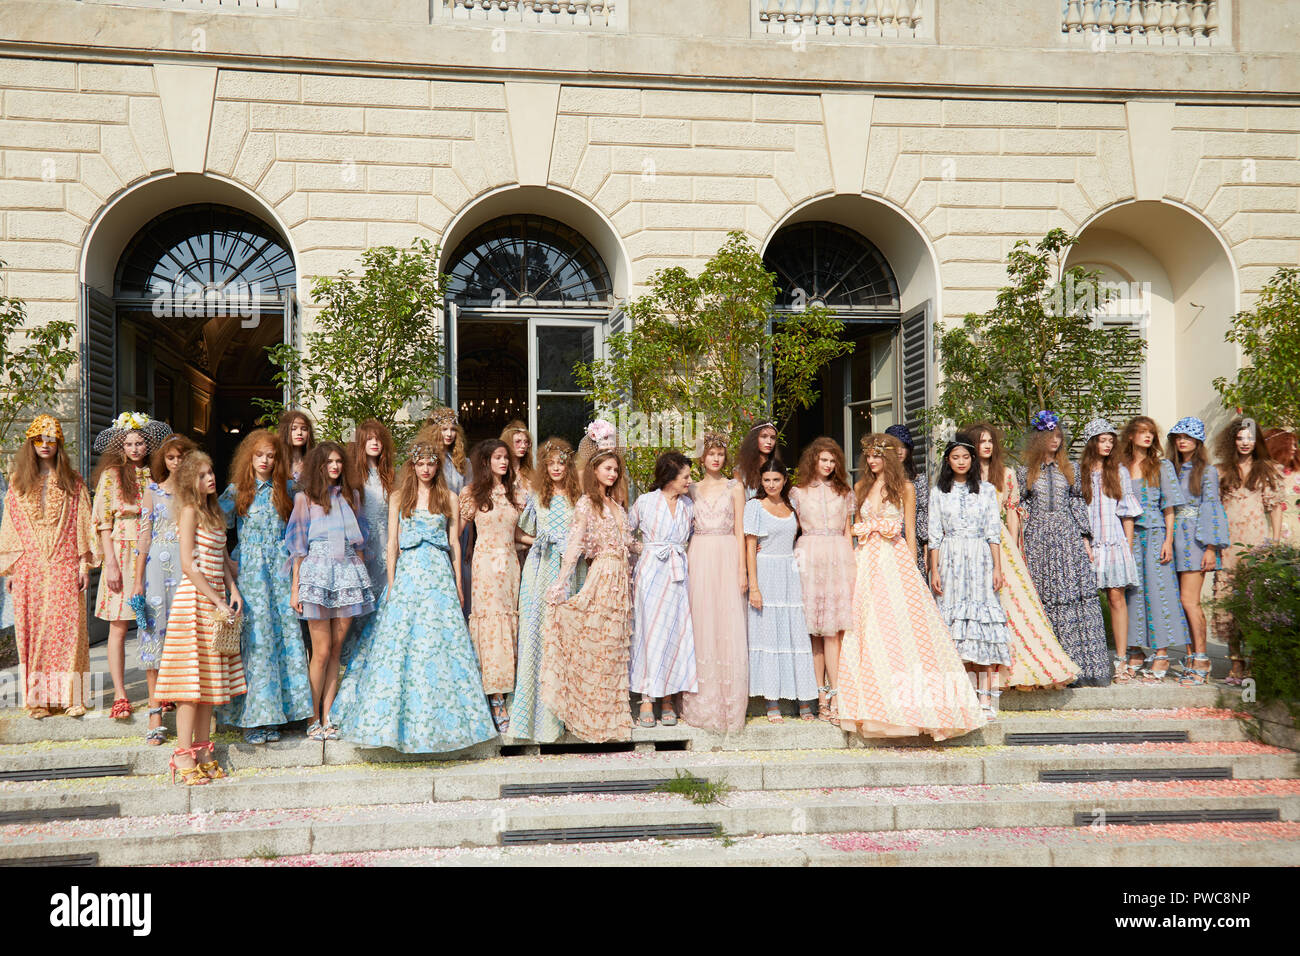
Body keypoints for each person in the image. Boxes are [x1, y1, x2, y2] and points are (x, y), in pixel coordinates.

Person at [330, 436, 498, 754]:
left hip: (438, 576)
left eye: (431, 463)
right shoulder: (398, 498)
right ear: (412, 465)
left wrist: (459, 585)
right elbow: (392, 544)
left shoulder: (448, 497)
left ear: (437, 466)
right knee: (401, 646)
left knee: (439, 643)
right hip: (408, 575)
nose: (425, 468)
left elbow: (456, 544)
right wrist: (392, 584)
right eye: (420, 463)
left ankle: (448, 722)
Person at [837, 433, 985, 740]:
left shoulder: (904, 487)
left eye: (878, 455)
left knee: (898, 627)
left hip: (894, 558)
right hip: (865, 559)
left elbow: (907, 529)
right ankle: (869, 702)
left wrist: (917, 568)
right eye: (869, 455)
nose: (872, 460)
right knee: (866, 627)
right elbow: (852, 528)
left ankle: (914, 705)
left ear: (889, 457)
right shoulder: (861, 487)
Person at [964, 421, 1078, 690]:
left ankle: (1017, 667)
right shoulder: (964, 473)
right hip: (969, 543)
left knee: (1013, 602)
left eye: (990, 440)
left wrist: (1013, 547)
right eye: (981, 441)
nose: (987, 445)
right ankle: (978, 667)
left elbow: (1012, 512)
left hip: (1000, 541)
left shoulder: (1006, 474)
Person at [216, 429, 312, 743]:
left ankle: (280, 716)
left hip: (281, 572)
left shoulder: (288, 489)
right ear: (250, 457)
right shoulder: (236, 491)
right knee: (256, 644)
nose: (265, 461)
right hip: (252, 575)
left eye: (271, 456)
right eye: (259, 455)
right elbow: (214, 527)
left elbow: (303, 529)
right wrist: (230, 564)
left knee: (283, 639)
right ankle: (254, 718)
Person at [155, 452, 246, 785]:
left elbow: (222, 560)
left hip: (216, 602)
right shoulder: (190, 512)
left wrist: (232, 592)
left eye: (212, 473)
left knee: (207, 684)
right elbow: (188, 566)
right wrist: (216, 600)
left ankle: (203, 749)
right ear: (191, 480)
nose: (211, 479)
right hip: (193, 601)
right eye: (204, 475)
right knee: (189, 686)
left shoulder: (215, 512)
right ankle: (181, 754)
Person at [0, 416, 98, 719]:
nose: (45, 445)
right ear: (31, 443)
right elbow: (10, 526)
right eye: (39, 440)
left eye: (51, 439)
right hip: (29, 566)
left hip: (65, 563)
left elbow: (84, 521)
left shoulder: (73, 480)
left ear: (59, 444)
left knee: (70, 631)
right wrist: (12, 567)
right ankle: (38, 699)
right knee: (34, 632)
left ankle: (73, 697)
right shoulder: (17, 482)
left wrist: (84, 564)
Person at [543, 447, 634, 743]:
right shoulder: (586, 503)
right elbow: (575, 545)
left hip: (622, 581)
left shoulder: (617, 505)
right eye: (607, 468)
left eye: (616, 469)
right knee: (599, 646)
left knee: (615, 647)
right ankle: (590, 718)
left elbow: (630, 543)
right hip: (604, 576)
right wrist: (560, 582)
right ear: (594, 471)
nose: (613, 473)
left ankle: (612, 719)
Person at [285, 441, 375, 740]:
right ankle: (312, 718)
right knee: (320, 651)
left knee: (336, 650)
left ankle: (329, 715)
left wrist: (363, 583)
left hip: (348, 572)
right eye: (328, 462)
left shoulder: (352, 497)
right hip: (317, 574)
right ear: (318, 466)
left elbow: (360, 542)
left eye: (338, 461)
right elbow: (297, 549)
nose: (334, 467)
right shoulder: (304, 499)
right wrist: (295, 589)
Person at [1017, 411, 1111, 687]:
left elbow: (1077, 504)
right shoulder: (1025, 473)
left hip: (1067, 539)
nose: (1055, 440)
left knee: (1072, 596)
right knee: (1044, 597)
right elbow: (1017, 506)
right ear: (1039, 439)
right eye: (1050, 435)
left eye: (1059, 436)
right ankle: (1048, 667)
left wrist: (1085, 538)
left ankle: (1080, 666)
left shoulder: (1067, 470)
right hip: (1037, 540)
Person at [91, 411, 172, 719]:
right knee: (119, 624)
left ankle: (160, 689)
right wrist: (109, 563)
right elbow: (102, 523)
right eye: (129, 444)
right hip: (122, 552)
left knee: (157, 623)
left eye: (140, 443)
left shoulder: (156, 475)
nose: (135, 449)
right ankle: (121, 694)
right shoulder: (112, 476)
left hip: (153, 552)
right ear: (120, 447)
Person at [929, 436, 1013, 718]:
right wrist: (934, 569)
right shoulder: (938, 492)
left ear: (972, 460)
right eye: (956, 458)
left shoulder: (987, 490)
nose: (961, 462)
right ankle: (961, 695)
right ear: (948, 461)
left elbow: (993, 531)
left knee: (984, 624)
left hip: (979, 559)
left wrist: (997, 568)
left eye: (966, 457)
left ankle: (987, 696)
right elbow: (934, 535)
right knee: (955, 628)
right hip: (951, 559)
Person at [510, 437, 585, 742]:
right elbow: (519, 533)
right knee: (537, 635)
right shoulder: (536, 497)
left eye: (561, 463)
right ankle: (534, 718)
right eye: (551, 463)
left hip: (570, 571)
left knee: (569, 637)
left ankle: (568, 716)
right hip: (540, 571)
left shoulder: (579, 498)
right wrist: (538, 540)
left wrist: (571, 545)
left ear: (568, 466)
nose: (556, 468)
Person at [681, 431, 749, 734]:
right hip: (699, 554)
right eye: (711, 454)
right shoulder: (691, 489)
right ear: (702, 457)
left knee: (727, 621)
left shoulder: (735, 488)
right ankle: (701, 701)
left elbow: (741, 531)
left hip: (726, 551)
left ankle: (728, 703)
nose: (716, 458)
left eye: (720, 454)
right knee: (701, 622)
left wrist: (743, 569)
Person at [130, 434, 197, 744]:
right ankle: (155, 711)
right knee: (153, 634)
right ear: (163, 461)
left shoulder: (197, 492)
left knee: (186, 637)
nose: (176, 462)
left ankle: (188, 706)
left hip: (189, 569)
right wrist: (136, 579)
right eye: (171, 457)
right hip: (157, 566)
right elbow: (143, 537)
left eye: (181, 456)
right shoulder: (152, 492)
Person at [459, 438, 526, 732]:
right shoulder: (472, 493)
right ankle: (493, 696)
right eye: (498, 457)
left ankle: (508, 692)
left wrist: (540, 541)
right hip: (485, 565)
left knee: (510, 624)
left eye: (506, 458)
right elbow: (456, 533)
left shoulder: (516, 493)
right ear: (485, 462)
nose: (503, 462)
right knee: (490, 623)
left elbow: (517, 532)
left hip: (510, 564)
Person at [744, 458, 817, 721]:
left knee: (794, 634)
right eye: (766, 480)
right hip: (765, 572)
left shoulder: (792, 505)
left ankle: (802, 698)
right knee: (769, 636)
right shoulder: (754, 506)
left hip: (790, 572)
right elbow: (750, 547)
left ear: (784, 480)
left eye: (776, 479)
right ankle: (771, 700)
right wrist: (754, 587)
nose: (772, 484)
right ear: (761, 482)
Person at [629, 451, 698, 727]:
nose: (690, 481)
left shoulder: (688, 506)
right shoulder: (645, 502)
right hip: (651, 573)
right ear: (669, 477)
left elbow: (696, 538)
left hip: (678, 574)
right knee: (650, 631)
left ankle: (668, 697)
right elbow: (625, 531)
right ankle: (647, 697)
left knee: (675, 633)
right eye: (685, 476)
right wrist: (641, 549)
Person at [1212, 417, 1282, 685]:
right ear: (1233, 440)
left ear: (1257, 441)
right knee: (1228, 605)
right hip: (1227, 545)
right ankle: (1235, 662)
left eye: (1250, 438)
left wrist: (1274, 543)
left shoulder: (1267, 469)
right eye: (1240, 438)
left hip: (1256, 545)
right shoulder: (1219, 471)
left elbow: (1274, 507)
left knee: (1255, 604)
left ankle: (1255, 661)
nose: (1245, 443)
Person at [1119, 415, 1189, 682]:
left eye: (1151, 433)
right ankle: (1135, 650)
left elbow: (1169, 508)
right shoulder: (1120, 466)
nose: (1147, 437)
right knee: (1132, 593)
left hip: (1156, 533)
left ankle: (1161, 653)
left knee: (1160, 594)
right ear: (1131, 436)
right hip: (1128, 537)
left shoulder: (1162, 466)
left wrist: (1168, 540)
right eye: (1142, 432)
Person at [790, 437, 854, 720]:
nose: (828, 465)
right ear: (813, 461)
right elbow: (788, 529)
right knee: (813, 630)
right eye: (823, 460)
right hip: (808, 555)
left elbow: (848, 531)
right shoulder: (797, 492)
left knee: (834, 630)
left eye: (832, 461)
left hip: (838, 556)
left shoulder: (845, 492)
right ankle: (820, 694)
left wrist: (852, 561)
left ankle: (837, 693)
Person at [1077, 419, 1142, 682]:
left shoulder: (1119, 472)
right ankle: (1090, 660)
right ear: (1092, 442)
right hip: (1088, 543)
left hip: (1114, 541)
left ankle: (1121, 660)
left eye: (1110, 441)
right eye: (1102, 440)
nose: (1107, 445)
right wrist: (1083, 542)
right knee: (1087, 603)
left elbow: (1128, 514)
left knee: (1116, 598)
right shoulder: (1078, 472)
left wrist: (1128, 545)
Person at [1168, 417, 1230, 686]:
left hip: (1196, 540)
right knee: (1177, 603)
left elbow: (1213, 509)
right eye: (1179, 437)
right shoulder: (1170, 468)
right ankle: (1191, 659)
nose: (1183, 441)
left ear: (1197, 441)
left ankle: (1203, 659)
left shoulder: (1207, 471)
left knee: (1190, 601)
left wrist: (1210, 547)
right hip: (1171, 540)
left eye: (1189, 437)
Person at [342, 419, 396, 666]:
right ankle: (358, 662)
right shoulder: (352, 476)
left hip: (386, 546)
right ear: (361, 443)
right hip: (361, 548)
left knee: (384, 604)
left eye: (378, 439)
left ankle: (381, 659)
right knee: (361, 605)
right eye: (369, 439)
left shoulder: (390, 476)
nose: (375, 443)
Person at [428, 407, 473, 611]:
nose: (448, 434)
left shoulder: (464, 463)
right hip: (436, 526)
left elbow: (469, 503)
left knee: (460, 577)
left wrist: (469, 538)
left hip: (460, 527)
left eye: (453, 429)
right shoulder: (429, 461)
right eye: (444, 429)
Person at [885, 424, 930, 578]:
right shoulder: (879, 481)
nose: (899, 451)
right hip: (886, 544)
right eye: (894, 446)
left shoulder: (919, 480)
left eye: (903, 446)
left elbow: (923, 515)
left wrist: (926, 549)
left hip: (912, 543)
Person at [1264, 428, 1300, 545]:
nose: (1294, 449)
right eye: (1291, 445)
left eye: (1295, 445)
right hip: (1272, 533)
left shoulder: (1298, 473)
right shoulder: (1264, 474)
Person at [734, 419, 781, 499]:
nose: (769, 441)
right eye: (764, 436)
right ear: (754, 439)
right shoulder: (740, 471)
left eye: (773, 438)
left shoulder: (778, 468)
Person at [277, 408, 317, 487]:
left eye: (304, 429)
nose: (299, 433)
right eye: (293, 429)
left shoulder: (315, 462)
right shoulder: (277, 460)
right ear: (285, 431)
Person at [501, 419, 536, 495]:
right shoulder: (499, 472)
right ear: (508, 443)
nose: (523, 446)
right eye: (518, 441)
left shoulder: (531, 474)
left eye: (526, 442)